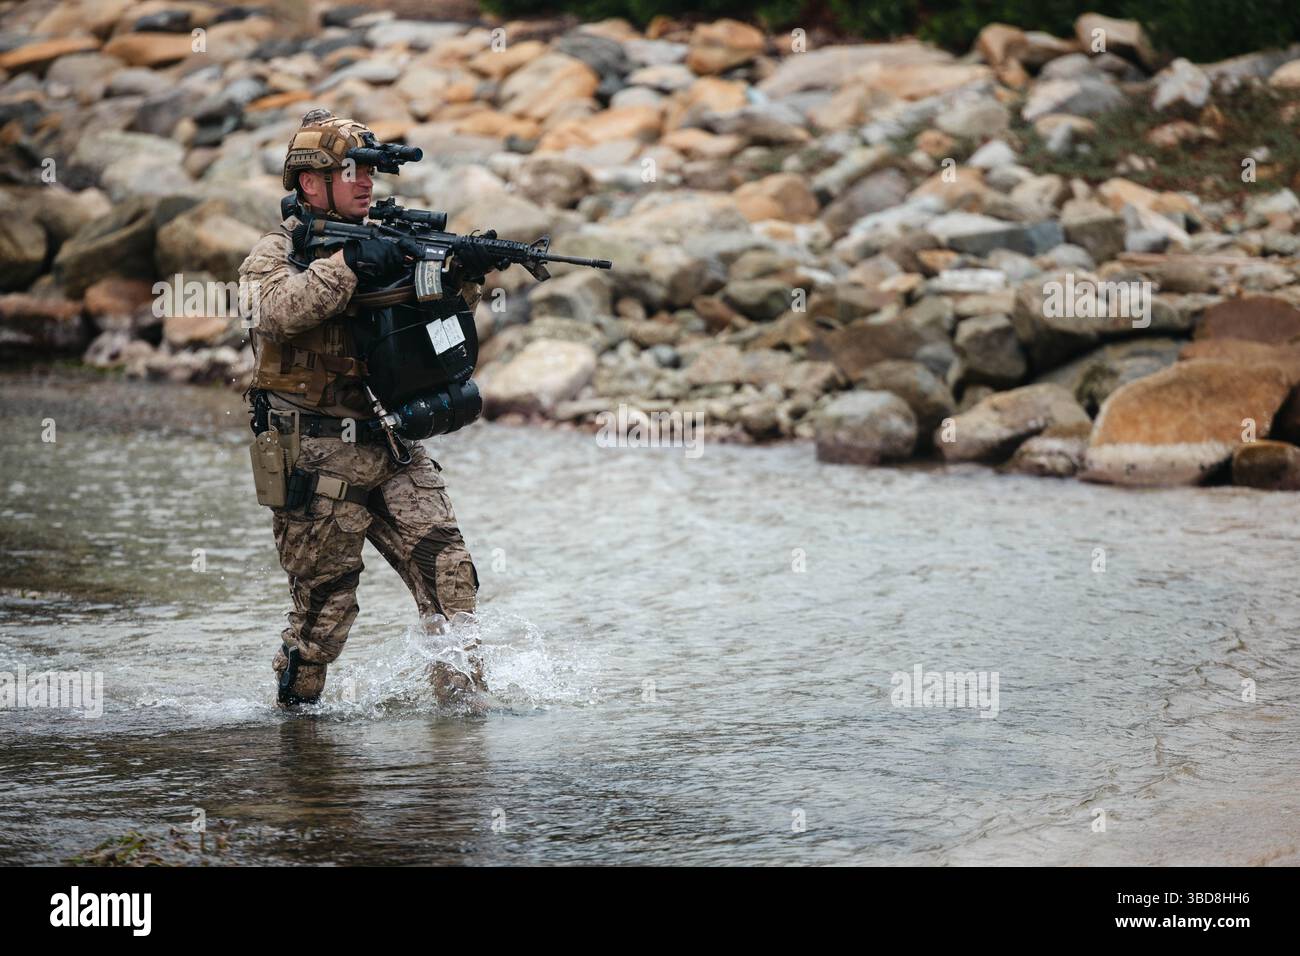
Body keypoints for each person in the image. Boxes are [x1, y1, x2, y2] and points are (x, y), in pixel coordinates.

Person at [238, 109, 491, 710]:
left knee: (450, 580)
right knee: (325, 616)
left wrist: (462, 277)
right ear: (309, 183)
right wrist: (349, 265)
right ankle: (296, 738)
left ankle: (461, 732)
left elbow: (434, 321)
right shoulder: (276, 252)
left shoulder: (387, 237)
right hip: (315, 454)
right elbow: (275, 311)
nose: (365, 182)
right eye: (349, 170)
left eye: (369, 171)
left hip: (392, 439)